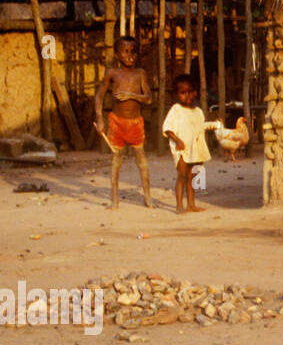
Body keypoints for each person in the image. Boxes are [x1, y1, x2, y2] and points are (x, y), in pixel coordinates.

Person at [93, 35, 152, 208]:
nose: (130, 55)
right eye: (125, 52)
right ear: (117, 54)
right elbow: (99, 96)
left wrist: (132, 95)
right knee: (116, 160)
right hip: (117, 122)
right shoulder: (112, 73)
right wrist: (99, 119)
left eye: (133, 52)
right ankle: (114, 200)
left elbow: (148, 98)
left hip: (135, 123)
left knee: (141, 160)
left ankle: (148, 197)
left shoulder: (140, 73)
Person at [163, 74, 218, 213]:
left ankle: (191, 204)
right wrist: (177, 140)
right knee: (182, 176)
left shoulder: (198, 112)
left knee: (192, 177)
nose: (187, 96)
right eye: (182, 93)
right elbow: (167, 128)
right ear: (177, 94)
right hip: (181, 149)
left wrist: (213, 125)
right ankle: (179, 205)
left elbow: (200, 127)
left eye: (190, 92)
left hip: (195, 149)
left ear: (195, 92)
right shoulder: (176, 110)